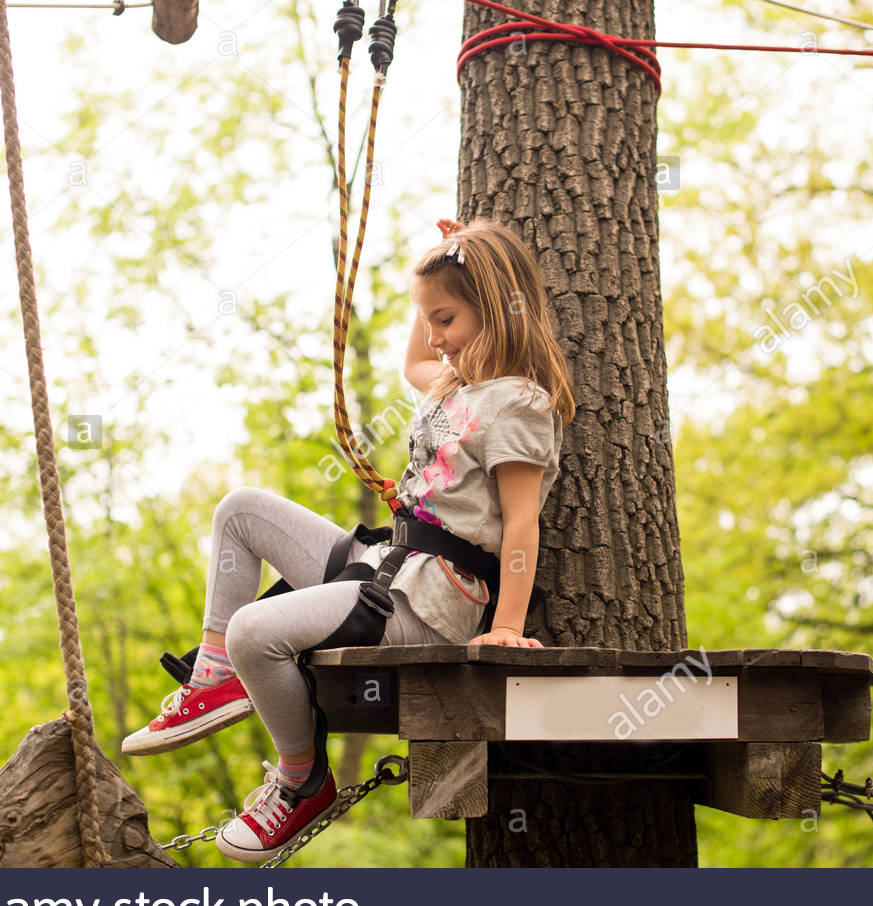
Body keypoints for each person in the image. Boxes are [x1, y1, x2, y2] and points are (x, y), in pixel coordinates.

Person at [120, 217, 577, 863]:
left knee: (257, 631)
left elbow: (523, 521)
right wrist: (437, 274)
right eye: (430, 320)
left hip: (430, 600)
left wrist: (505, 626)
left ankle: (302, 780)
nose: (435, 338)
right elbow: (415, 361)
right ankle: (215, 675)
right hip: (384, 563)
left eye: (446, 319)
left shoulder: (518, 404)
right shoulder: (453, 386)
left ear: (497, 308)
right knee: (241, 510)